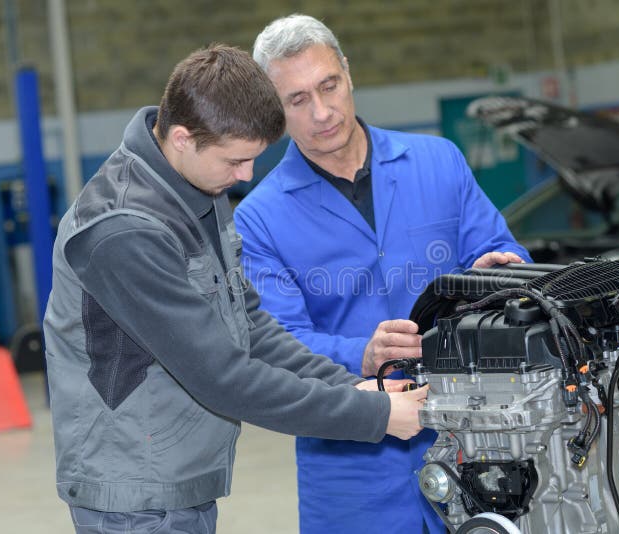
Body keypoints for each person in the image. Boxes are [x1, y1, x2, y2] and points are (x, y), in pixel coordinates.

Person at [43, 44, 428, 534]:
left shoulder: (198, 185)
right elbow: (222, 376)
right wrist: (372, 414)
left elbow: (250, 325)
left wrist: (349, 385)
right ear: (182, 138)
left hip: (178, 476)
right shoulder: (123, 230)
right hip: (135, 498)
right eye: (236, 161)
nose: (245, 176)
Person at [235, 15, 533, 534]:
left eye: (328, 85)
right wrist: (361, 355)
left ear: (347, 73)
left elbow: (500, 250)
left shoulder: (438, 162)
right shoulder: (259, 218)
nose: (323, 112)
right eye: (297, 99)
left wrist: (500, 271)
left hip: (475, 442)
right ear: (273, 109)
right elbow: (275, 344)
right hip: (352, 470)